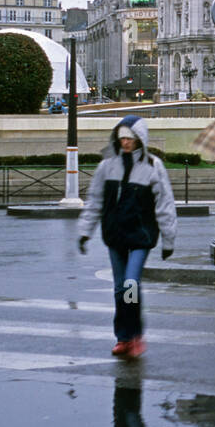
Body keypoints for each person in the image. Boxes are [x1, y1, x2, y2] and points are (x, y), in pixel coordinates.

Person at [77, 116, 177, 359]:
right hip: (115, 235)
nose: (125, 142)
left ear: (139, 139)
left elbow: (165, 204)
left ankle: (134, 335)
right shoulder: (107, 166)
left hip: (141, 236)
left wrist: (168, 239)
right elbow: (95, 201)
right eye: (122, 137)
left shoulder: (153, 166)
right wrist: (84, 231)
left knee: (130, 284)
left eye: (130, 138)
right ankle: (124, 337)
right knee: (120, 288)